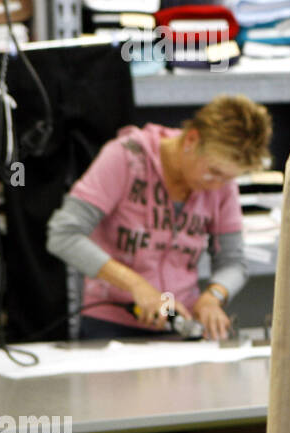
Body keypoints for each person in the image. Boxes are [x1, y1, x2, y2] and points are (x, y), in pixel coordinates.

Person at [47, 94, 272, 340]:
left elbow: (233, 261)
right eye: (213, 172)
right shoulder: (126, 157)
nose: (217, 186)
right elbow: (63, 234)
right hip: (110, 324)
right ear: (192, 139)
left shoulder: (221, 185)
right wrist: (136, 285)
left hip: (180, 323)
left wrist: (212, 297)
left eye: (228, 178)